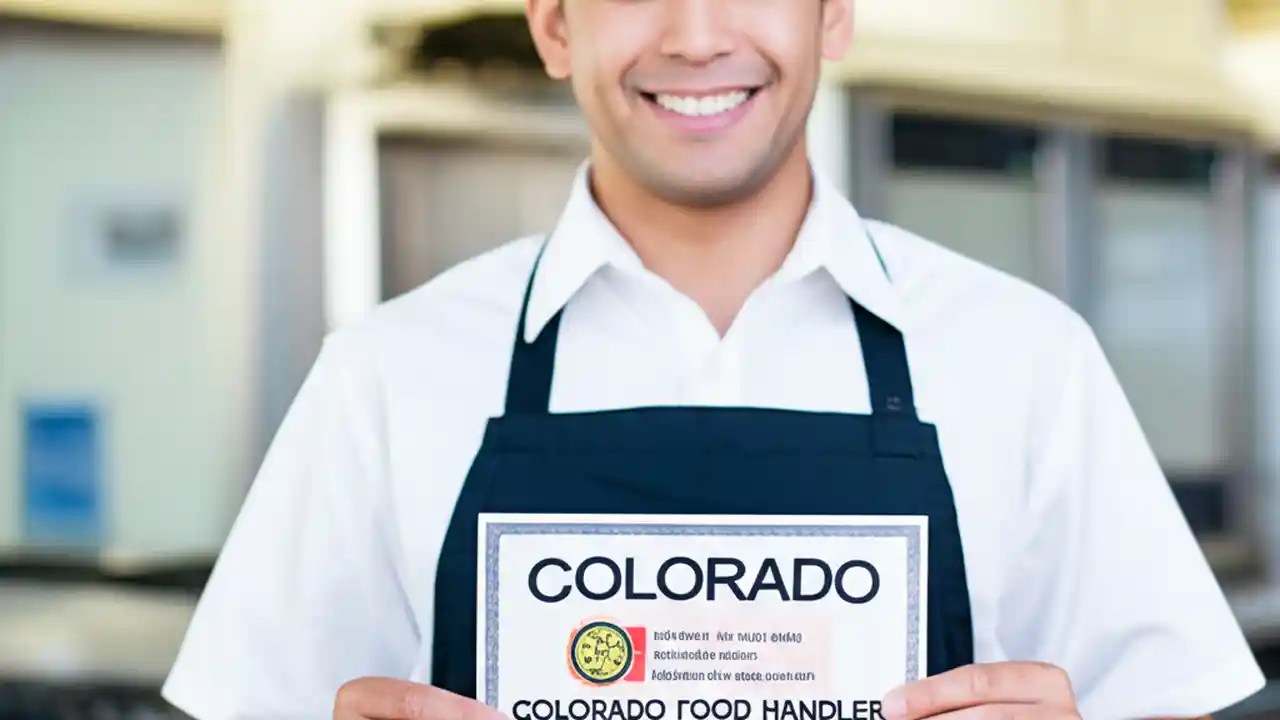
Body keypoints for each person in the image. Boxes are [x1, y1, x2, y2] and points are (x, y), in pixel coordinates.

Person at [162, 0, 1265, 718]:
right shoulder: (386, 376)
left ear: (834, 14)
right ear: (552, 25)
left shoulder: (1025, 361)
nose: (694, 35)